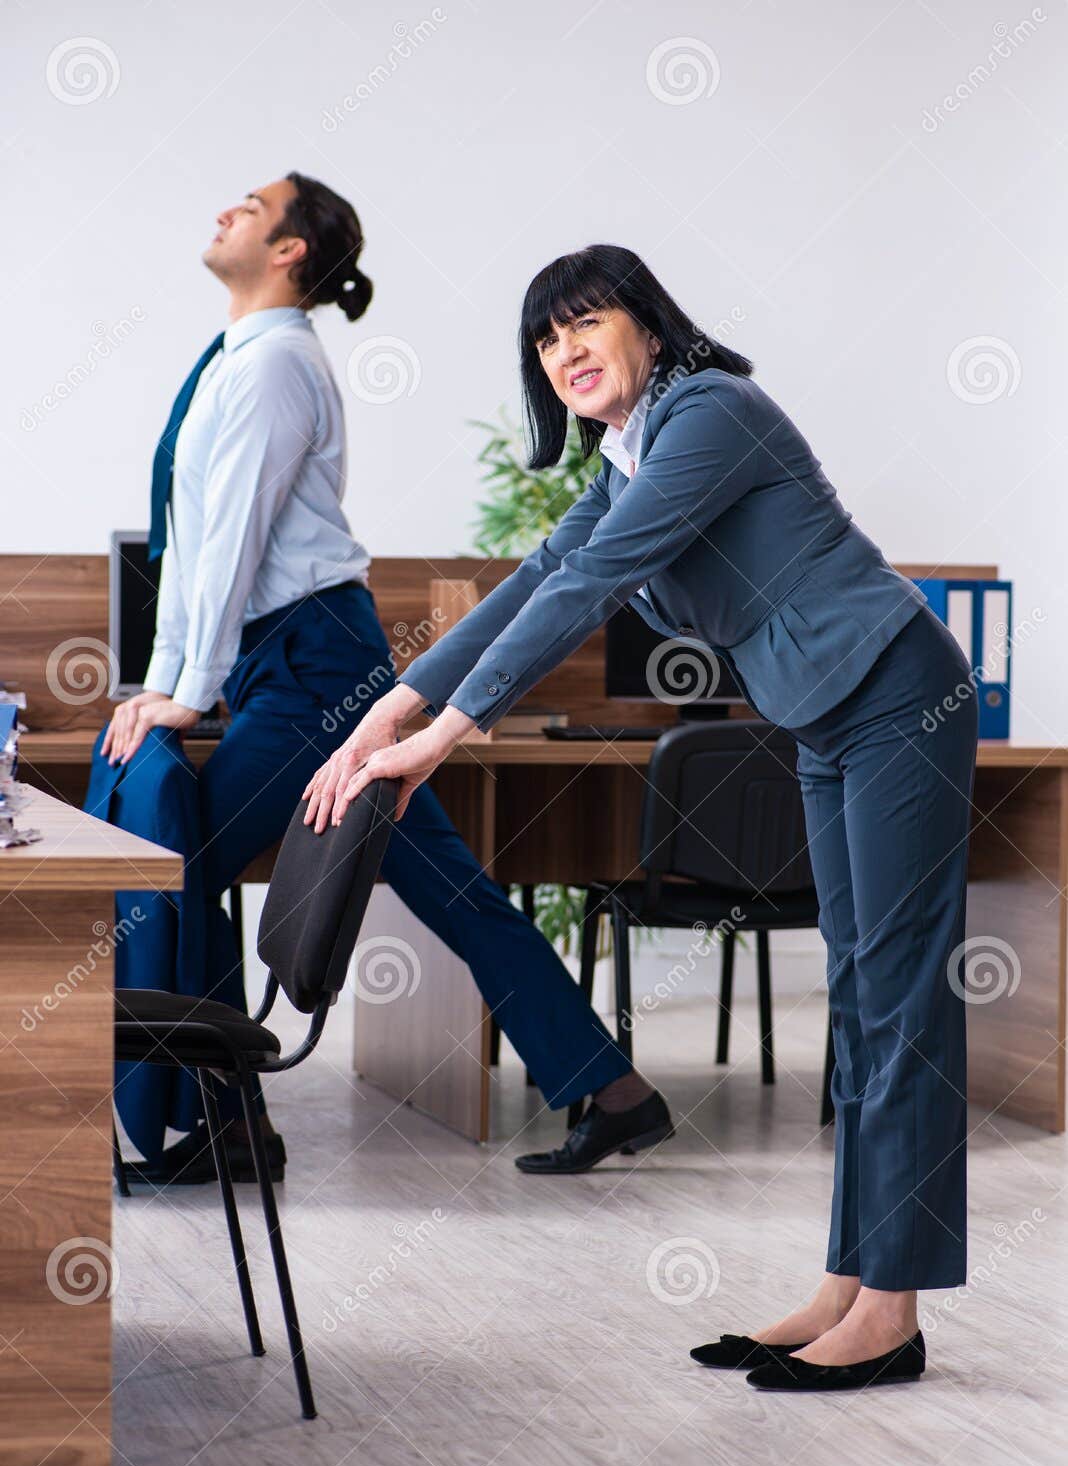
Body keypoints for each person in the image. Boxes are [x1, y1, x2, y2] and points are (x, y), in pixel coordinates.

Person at [302, 243, 978, 1394]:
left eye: (585, 321)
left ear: (649, 327)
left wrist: (441, 737)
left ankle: (894, 1310)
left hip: (900, 696)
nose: (563, 349)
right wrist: (386, 715)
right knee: (861, 987)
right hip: (827, 721)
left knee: (900, 993)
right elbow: (534, 582)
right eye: (544, 337)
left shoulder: (710, 413)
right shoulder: (630, 461)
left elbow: (591, 584)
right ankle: (849, 1284)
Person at [91, 189, 673, 1188]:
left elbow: (231, 537)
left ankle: (232, 1120)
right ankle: (616, 1092)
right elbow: (192, 543)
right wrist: (168, 678)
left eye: (252, 205)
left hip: (310, 662)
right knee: (448, 887)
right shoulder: (238, 358)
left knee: (175, 858)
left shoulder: (275, 363)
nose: (226, 212)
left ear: (290, 249)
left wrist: (187, 689)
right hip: (299, 658)